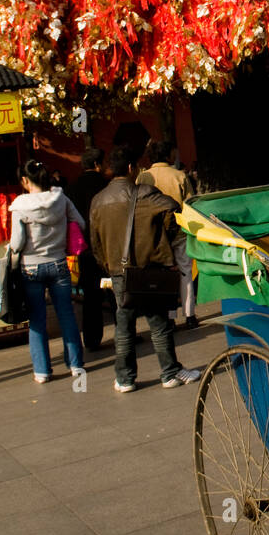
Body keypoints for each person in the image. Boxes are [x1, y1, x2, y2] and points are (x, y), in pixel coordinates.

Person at [89, 147, 200, 392]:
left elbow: (95, 242)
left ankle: (125, 378)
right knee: (158, 323)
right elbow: (172, 206)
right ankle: (169, 372)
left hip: (118, 270)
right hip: (149, 268)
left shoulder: (98, 200)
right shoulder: (146, 194)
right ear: (131, 168)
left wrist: (108, 264)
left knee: (124, 326)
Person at [9, 159, 86, 384]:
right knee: (66, 315)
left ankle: (42, 371)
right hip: (59, 262)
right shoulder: (60, 198)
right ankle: (75, 365)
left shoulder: (20, 205)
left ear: (24, 180)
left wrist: (13, 250)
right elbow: (79, 222)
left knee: (37, 319)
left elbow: (18, 241)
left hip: (31, 267)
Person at [137, 140, 198, 329]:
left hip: (154, 233)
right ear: (167, 154)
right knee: (185, 271)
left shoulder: (143, 178)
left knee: (164, 275)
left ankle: (169, 317)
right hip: (179, 231)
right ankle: (190, 315)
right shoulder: (179, 176)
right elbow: (190, 204)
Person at [68, 147, 107, 350]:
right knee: (116, 292)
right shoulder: (105, 185)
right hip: (106, 246)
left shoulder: (72, 188)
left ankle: (91, 340)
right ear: (97, 165)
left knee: (91, 296)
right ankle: (127, 333)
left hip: (84, 248)